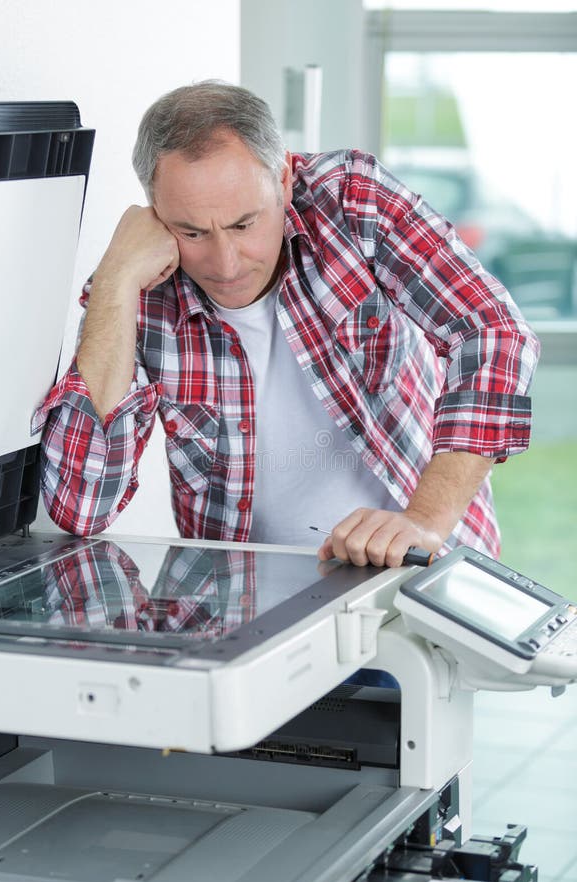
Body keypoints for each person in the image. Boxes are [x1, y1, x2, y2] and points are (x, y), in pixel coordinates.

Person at [32, 80, 540, 568]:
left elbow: (492, 333)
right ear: (156, 212)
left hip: (425, 560)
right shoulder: (137, 285)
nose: (225, 263)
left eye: (243, 224)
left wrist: (425, 522)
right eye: (192, 232)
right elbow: (81, 506)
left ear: (284, 179)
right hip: (247, 608)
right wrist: (115, 283)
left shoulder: (351, 199)